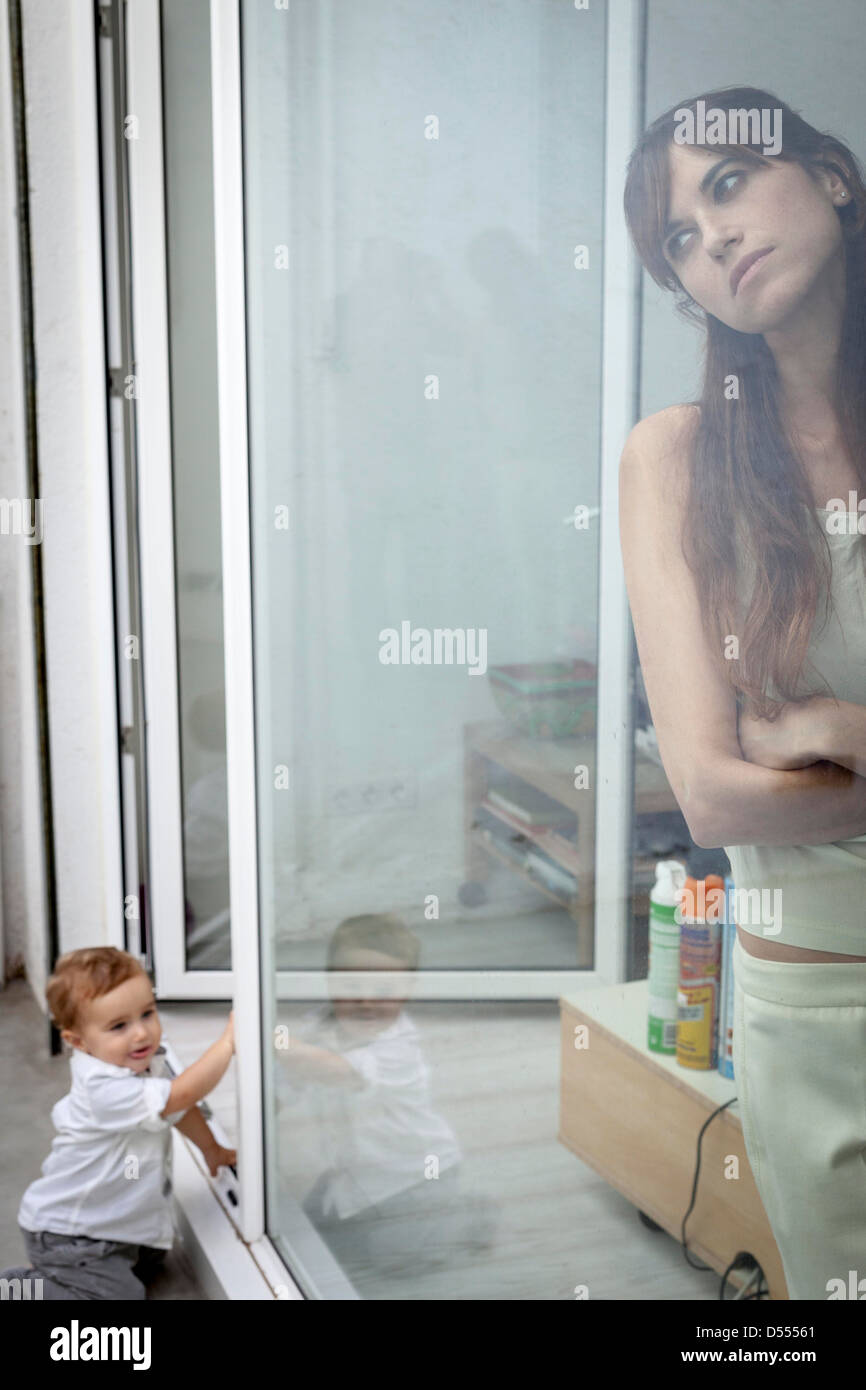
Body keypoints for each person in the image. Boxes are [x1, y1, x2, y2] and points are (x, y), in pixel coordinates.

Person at [619, 85, 866, 1300]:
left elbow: (769, 771)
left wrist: (831, 733)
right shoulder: (676, 457)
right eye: (675, 236)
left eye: (725, 183)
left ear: (827, 175)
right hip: (818, 996)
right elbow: (712, 794)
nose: (707, 237)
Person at [0, 947, 236, 1300]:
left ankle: (65, 1274)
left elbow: (177, 1110)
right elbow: (181, 1095)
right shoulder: (102, 1088)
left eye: (147, 1013)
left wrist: (212, 1149)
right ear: (78, 1042)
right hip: (73, 1235)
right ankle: (21, 1286)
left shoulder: (141, 1062)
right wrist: (229, 1043)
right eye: (119, 1026)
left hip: (113, 1227)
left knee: (153, 1255)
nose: (141, 1034)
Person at [275, 914, 496, 1278]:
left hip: (414, 1180)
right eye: (352, 986)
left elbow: (339, 1071)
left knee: (393, 1261)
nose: (366, 1001)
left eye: (383, 991)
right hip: (353, 1174)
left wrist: (275, 1042)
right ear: (330, 982)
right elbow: (293, 1079)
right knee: (311, 1237)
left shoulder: (399, 1047)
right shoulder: (319, 1027)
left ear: (407, 991)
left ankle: (465, 1219)